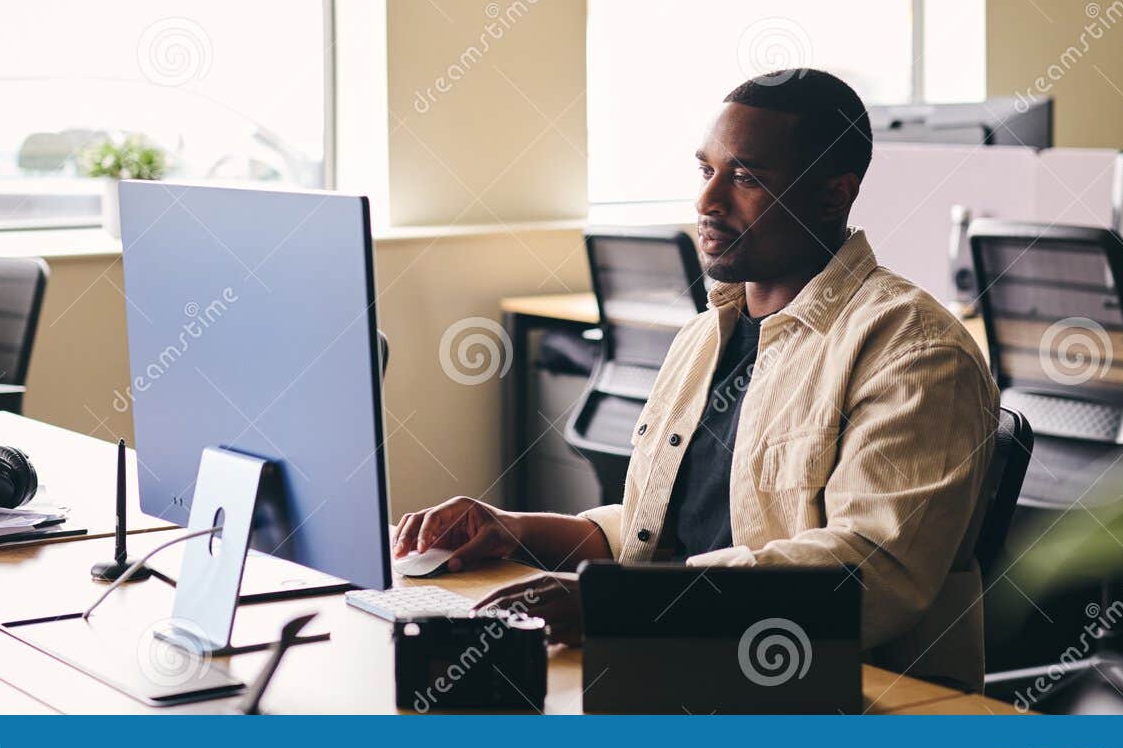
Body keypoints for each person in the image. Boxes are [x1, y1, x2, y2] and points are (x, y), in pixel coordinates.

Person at [395, 68, 1000, 688]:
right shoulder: (703, 337)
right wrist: (518, 531)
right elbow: (654, 535)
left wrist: (620, 608)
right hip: (675, 664)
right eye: (705, 171)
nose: (707, 202)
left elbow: (866, 575)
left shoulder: (913, 351)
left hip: (830, 694)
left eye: (744, 177)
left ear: (832, 195)